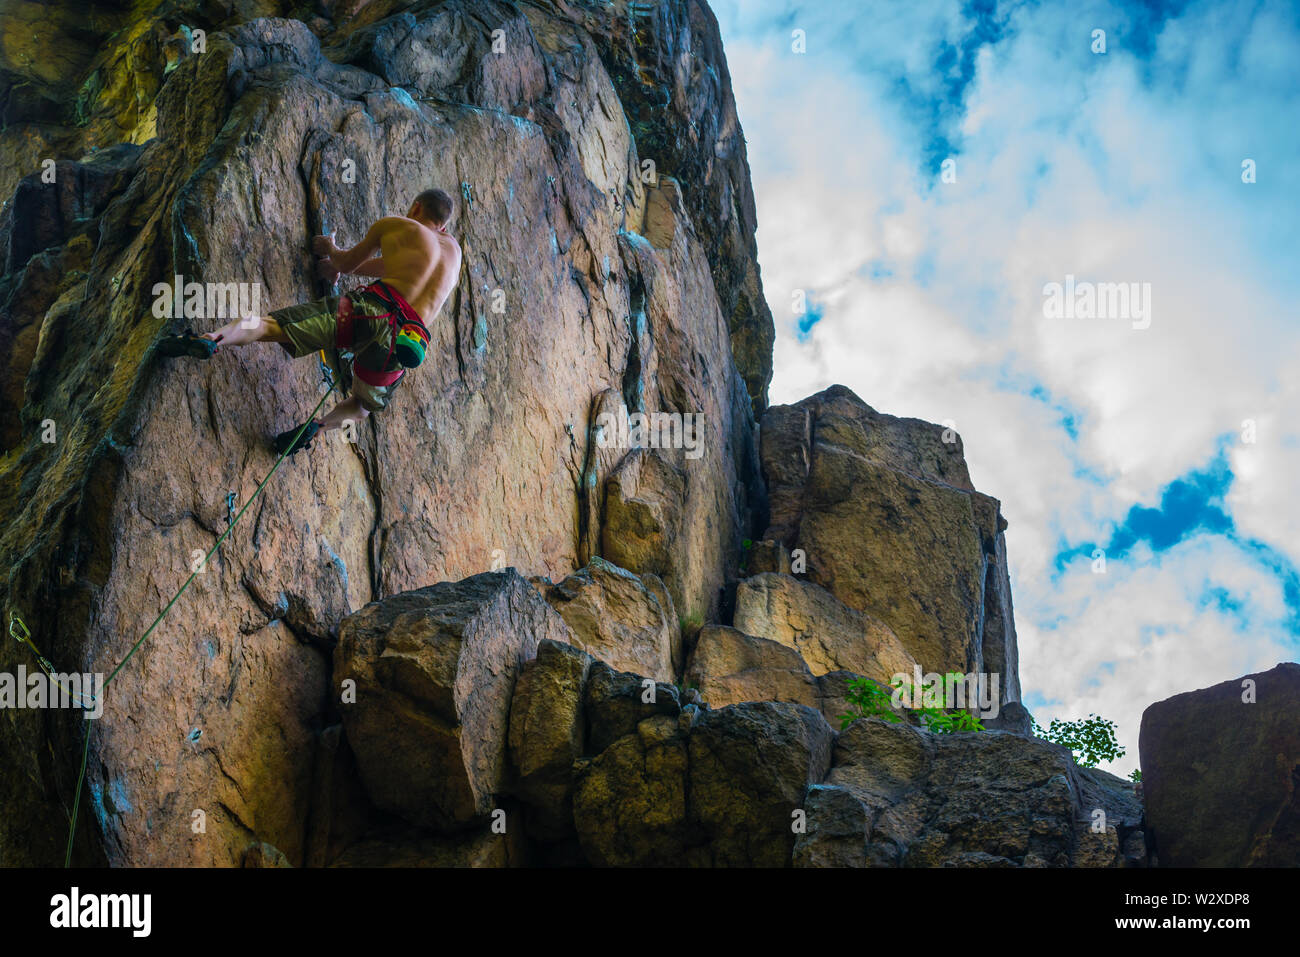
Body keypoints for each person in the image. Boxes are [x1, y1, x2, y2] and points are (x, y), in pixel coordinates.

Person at [158, 188, 463, 454]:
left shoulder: (396, 225)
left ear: (416, 208)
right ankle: (317, 428)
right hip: (403, 343)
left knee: (270, 326)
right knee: (361, 407)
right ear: (445, 226)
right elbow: (393, 267)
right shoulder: (454, 255)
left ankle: (210, 340)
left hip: (365, 311)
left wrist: (331, 250)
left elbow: (346, 262)